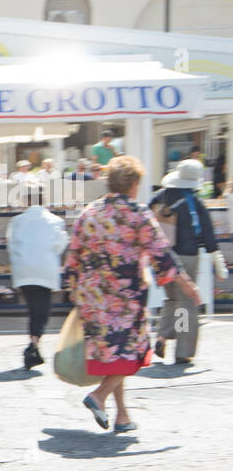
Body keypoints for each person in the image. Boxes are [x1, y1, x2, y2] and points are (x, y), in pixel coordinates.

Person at [64, 156, 200, 433]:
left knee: (114, 356)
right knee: (136, 352)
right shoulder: (137, 213)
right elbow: (161, 253)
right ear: (135, 184)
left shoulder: (90, 212)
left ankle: (122, 416)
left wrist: (73, 289)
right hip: (124, 299)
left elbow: (73, 255)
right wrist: (187, 284)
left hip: (93, 297)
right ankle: (98, 396)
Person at [150, 159, 218, 365]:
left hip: (162, 257)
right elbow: (206, 229)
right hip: (187, 256)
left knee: (172, 299)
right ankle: (182, 350)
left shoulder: (160, 196)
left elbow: (145, 218)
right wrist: (214, 253)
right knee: (185, 303)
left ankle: (161, 337)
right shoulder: (194, 201)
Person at [6, 185, 68, 370]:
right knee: (41, 310)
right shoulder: (55, 221)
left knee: (33, 308)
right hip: (44, 269)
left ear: (26, 200)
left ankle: (34, 348)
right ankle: (33, 346)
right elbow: (61, 244)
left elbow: (10, 244)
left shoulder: (16, 221)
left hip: (23, 270)